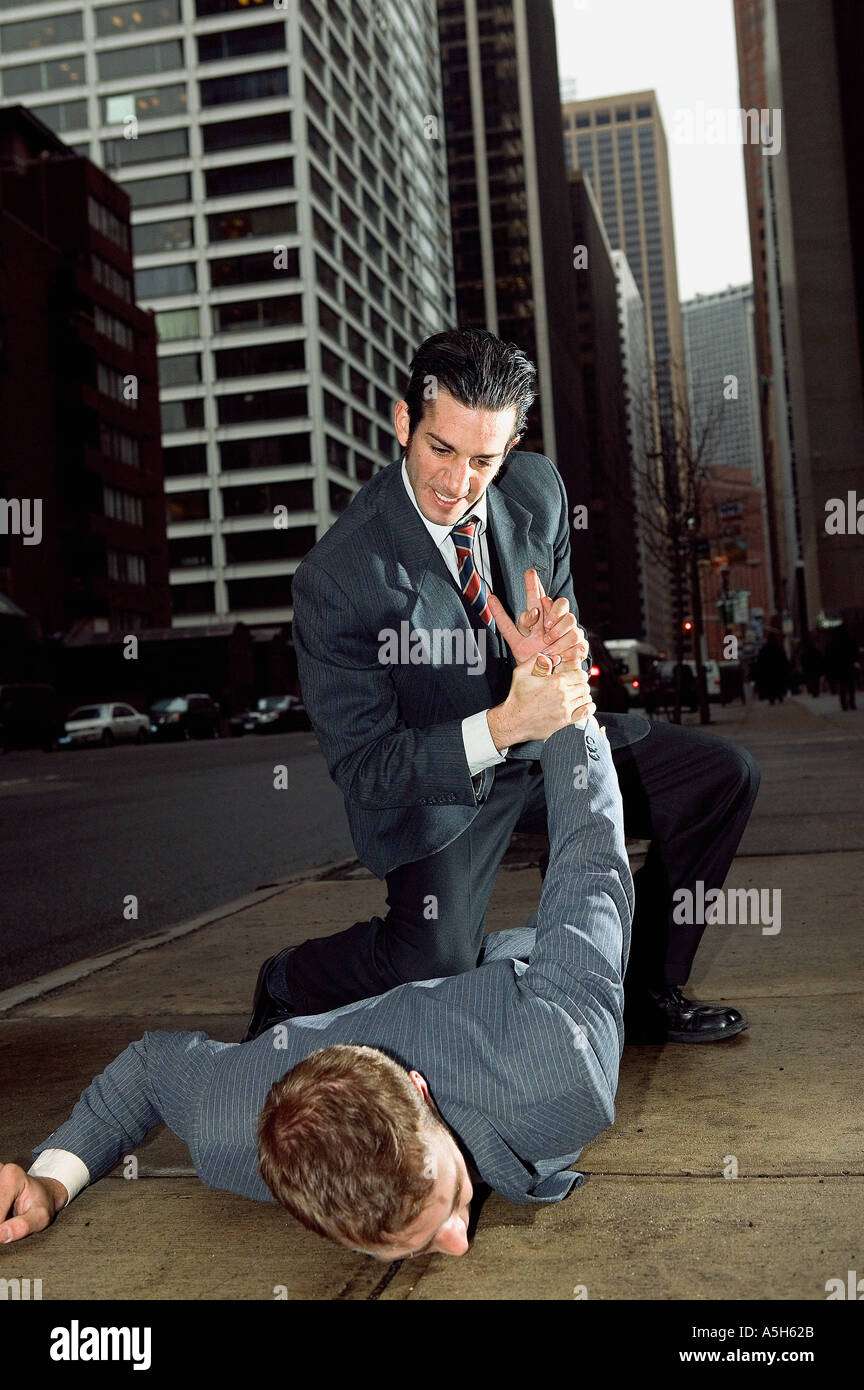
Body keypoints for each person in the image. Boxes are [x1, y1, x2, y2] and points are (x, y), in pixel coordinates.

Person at [247, 330, 757, 1046]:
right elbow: (365, 767)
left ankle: (641, 985)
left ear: (511, 446)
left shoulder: (538, 490)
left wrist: (564, 657)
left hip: (541, 744)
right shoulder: (340, 577)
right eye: (441, 449)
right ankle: (290, 977)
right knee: (434, 961)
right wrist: (504, 725)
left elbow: (562, 628)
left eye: (483, 460)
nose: (458, 483)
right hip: (444, 786)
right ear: (405, 422)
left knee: (721, 776)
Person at [1, 702, 633, 1260]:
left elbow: (591, 868)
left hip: (499, 996)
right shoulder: (232, 1127)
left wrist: (566, 708)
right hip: (324, 1028)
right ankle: (296, 984)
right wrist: (52, 1183)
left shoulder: (561, 1063)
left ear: (421, 1092)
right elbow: (146, 1072)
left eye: (441, 1207)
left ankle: (299, 974)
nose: (458, 1243)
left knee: (508, 951)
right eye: (402, 1245)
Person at [824, 623, 858, 711]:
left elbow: (829, 657)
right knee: (850, 686)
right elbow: (855, 652)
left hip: (839, 667)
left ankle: (844, 704)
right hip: (848, 665)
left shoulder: (833, 643)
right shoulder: (849, 641)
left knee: (843, 686)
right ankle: (851, 703)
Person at [753, 632, 792, 705]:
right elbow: (784, 660)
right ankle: (779, 696)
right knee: (778, 684)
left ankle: (772, 699)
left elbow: (760, 661)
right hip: (778, 671)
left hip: (768, 672)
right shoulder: (779, 648)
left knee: (770, 686)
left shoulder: (765, 648)